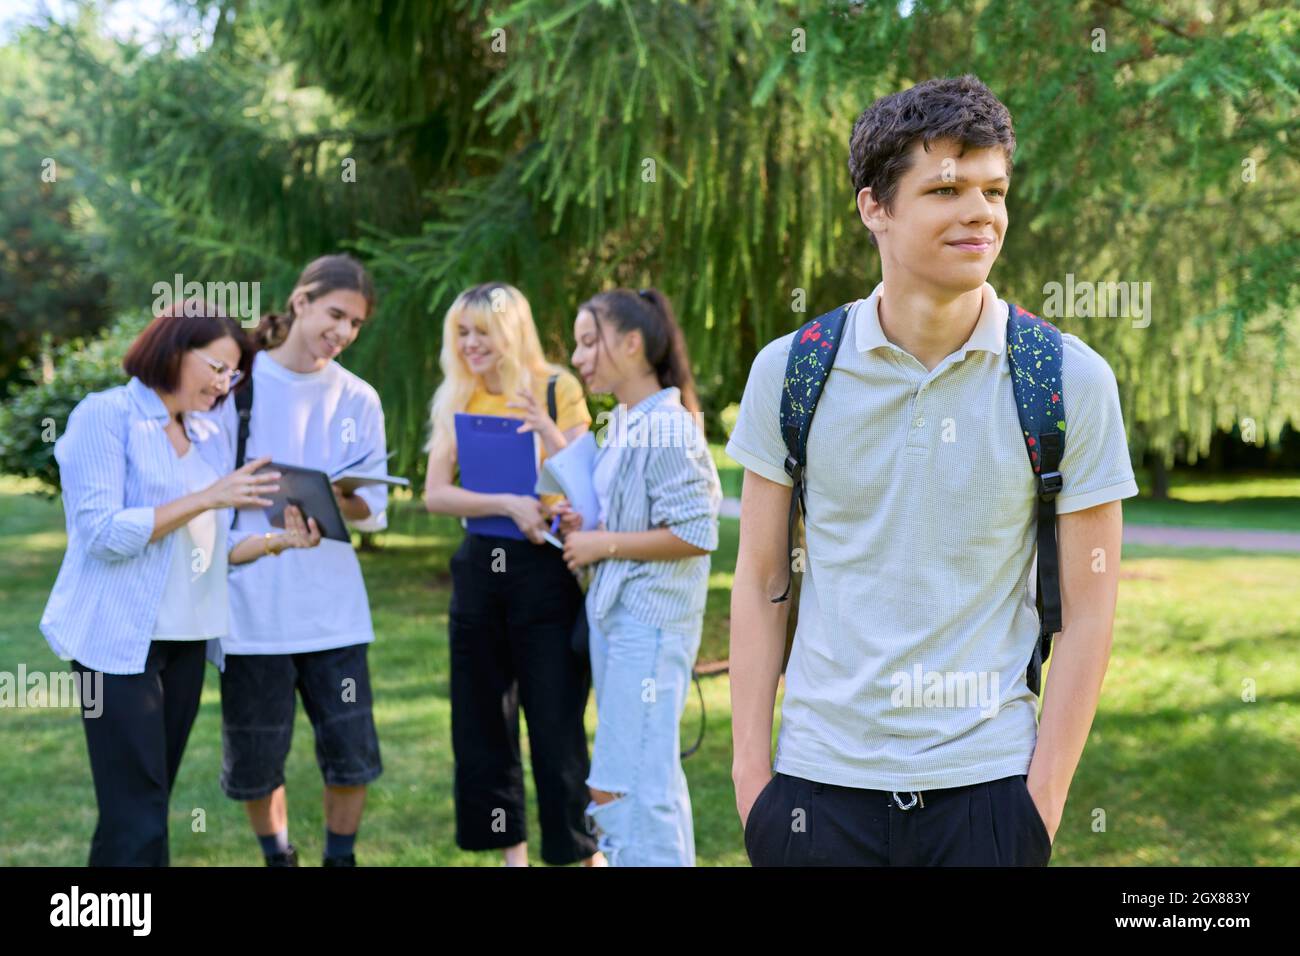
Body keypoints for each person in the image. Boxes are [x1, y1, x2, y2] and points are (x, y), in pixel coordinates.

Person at [726, 74, 1139, 866]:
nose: (980, 213)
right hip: (817, 790)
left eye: (994, 189)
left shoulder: (1066, 381)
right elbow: (760, 579)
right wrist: (753, 783)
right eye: (946, 188)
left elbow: (1091, 609)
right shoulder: (791, 373)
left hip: (988, 795)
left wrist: (1040, 804)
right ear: (874, 207)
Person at [40, 301, 322, 867]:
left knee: (143, 802)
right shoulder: (104, 415)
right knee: (137, 810)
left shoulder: (205, 435)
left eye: (233, 374)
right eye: (217, 368)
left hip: (186, 642)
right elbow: (101, 532)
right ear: (173, 350)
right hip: (117, 646)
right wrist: (209, 497)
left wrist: (279, 542)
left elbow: (208, 548)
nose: (225, 384)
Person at [215, 254, 388, 867]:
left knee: (351, 754)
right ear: (301, 301)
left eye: (356, 324)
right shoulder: (238, 385)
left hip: (334, 613)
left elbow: (374, 507)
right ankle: (277, 857)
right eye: (335, 314)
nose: (342, 332)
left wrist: (340, 498)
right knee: (257, 762)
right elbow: (208, 490)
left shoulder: (359, 399)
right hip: (251, 610)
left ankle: (340, 859)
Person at [423, 282, 602, 867]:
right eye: (462, 333)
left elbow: (584, 489)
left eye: (482, 332)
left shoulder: (557, 388)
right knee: (481, 724)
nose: (471, 344)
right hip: (479, 572)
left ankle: (581, 855)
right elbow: (436, 495)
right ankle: (512, 858)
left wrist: (545, 431)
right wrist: (506, 503)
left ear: (511, 332)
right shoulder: (458, 396)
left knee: (556, 724)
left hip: (543, 572)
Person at [556, 286, 722, 866]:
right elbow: (640, 516)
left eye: (586, 342)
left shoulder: (667, 425)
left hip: (649, 630)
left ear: (631, 344)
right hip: (620, 623)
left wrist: (602, 542)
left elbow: (698, 532)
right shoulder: (626, 423)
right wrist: (590, 524)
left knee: (626, 786)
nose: (577, 358)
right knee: (649, 781)